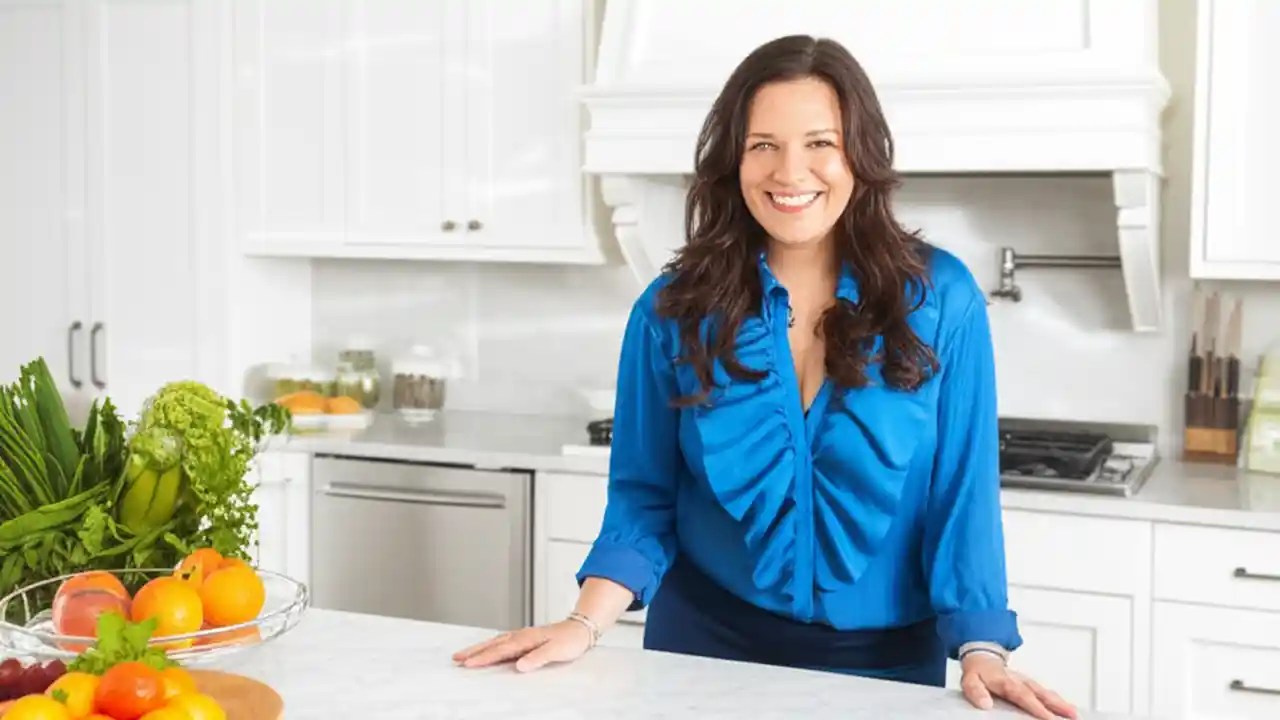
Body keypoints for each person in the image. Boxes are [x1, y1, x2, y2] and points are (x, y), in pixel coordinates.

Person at [453, 34, 1076, 720]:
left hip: (886, 668)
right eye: (763, 145)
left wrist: (983, 649)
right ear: (734, 160)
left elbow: (963, 498)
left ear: (859, 156)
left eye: (820, 143)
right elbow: (643, 496)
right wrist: (585, 624)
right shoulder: (670, 310)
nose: (790, 171)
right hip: (700, 653)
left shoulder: (942, 298)